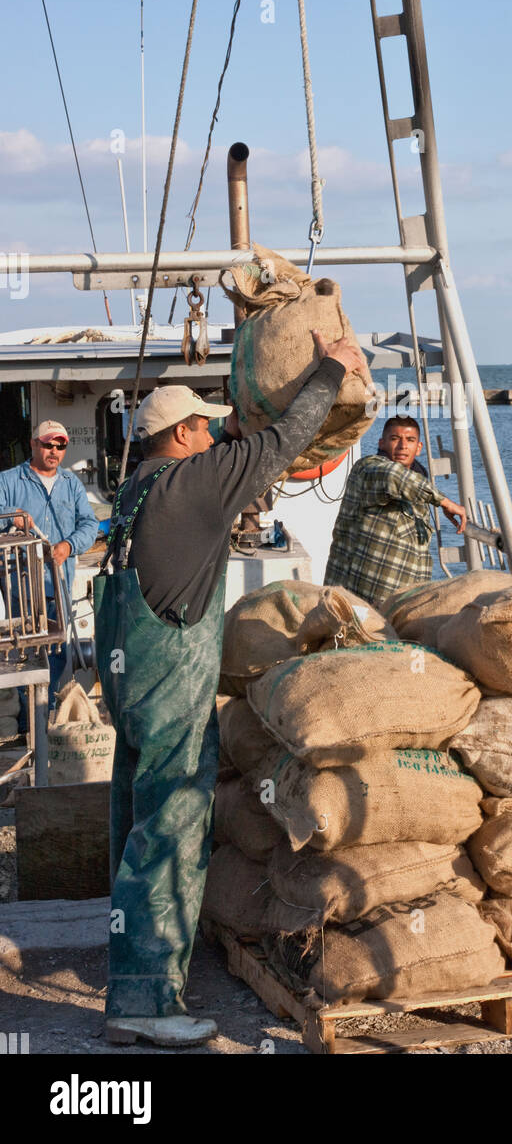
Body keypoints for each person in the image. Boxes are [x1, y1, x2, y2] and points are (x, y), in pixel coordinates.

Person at [94, 331, 365, 1049]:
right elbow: (286, 440)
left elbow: (239, 434)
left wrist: (230, 418)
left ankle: (133, 970)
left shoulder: (139, 488)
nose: (213, 435)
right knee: (171, 832)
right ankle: (145, 1003)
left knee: (135, 826)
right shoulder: (197, 485)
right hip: (167, 689)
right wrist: (333, 365)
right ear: (183, 435)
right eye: (203, 427)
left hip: (129, 685)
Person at [0, 421, 98, 726]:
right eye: (47, 444)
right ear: (33, 444)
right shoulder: (8, 480)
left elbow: (90, 524)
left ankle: (43, 722)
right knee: (20, 658)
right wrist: (12, 520)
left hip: (59, 589)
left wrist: (68, 546)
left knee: (56, 655)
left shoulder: (71, 484)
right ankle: (25, 723)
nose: (54, 451)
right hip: (20, 591)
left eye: (60, 446)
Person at [324, 414, 466, 607]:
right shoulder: (367, 469)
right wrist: (444, 502)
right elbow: (392, 476)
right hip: (355, 601)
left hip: (397, 603)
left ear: (419, 448)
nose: (402, 446)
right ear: (382, 443)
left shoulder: (417, 485)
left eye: (410, 440)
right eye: (394, 439)